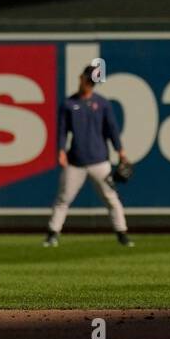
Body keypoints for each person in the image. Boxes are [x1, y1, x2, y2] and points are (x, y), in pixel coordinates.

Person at [44, 64, 134, 247]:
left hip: (99, 161)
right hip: (75, 161)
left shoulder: (102, 104)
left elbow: (112, 130)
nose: (89, 85)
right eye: (88, 80)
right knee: (63, 199)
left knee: (111, 199)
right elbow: (62, 131)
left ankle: (122, 234)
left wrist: (121, 151)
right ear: (81, 78)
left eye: (93, 83)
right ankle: (52, 234)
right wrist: (61, 150)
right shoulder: (69, 104)